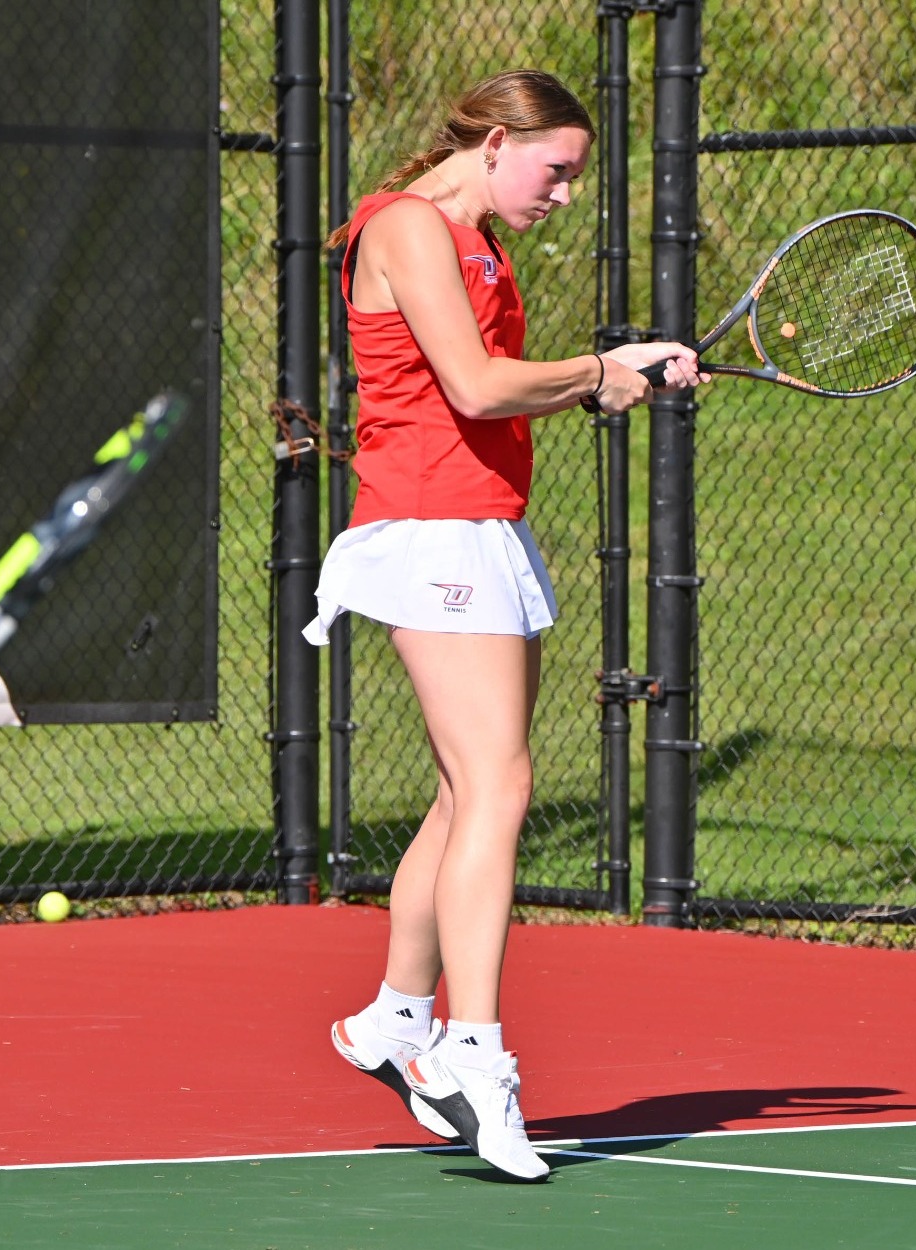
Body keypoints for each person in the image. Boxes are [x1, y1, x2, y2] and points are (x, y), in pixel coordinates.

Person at [312, 69, 704, 1180]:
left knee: (463, 788)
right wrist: (595, 372)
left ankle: (397, 1016)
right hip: (430, 529)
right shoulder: (409, 229)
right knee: (501, 784)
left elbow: (495, 389)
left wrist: (618, 372)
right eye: (557, 170)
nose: (566, 195)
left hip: (478, 525)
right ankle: (470, 1048)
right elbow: (477, 388)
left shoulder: (478, 242)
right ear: (493, 142)